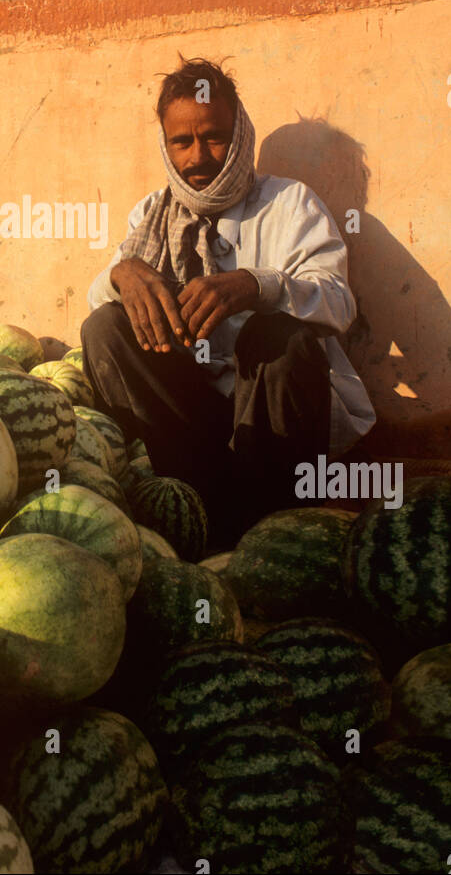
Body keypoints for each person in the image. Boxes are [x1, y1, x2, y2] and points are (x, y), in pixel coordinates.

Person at [80, 57, 376, 549]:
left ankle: (272, 526)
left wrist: (260, 285)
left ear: (239, 134)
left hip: (270, 420)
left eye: (213, 136)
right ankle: (191, 504)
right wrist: (122, 274)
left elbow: (339, 304)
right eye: (182, 141)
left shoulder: (288, 204)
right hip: (190, 427)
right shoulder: (152, 215)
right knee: (105, 328)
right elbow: (99, 305)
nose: (198, 157)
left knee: (275, 334)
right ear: (166, 145)